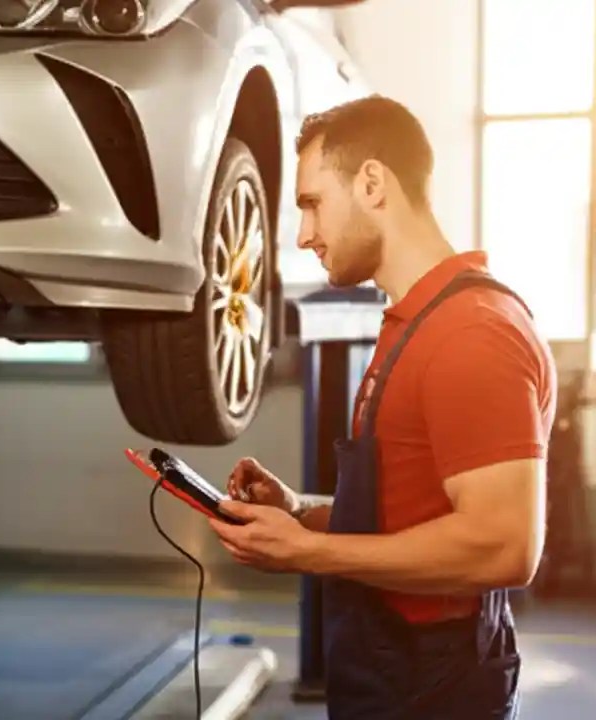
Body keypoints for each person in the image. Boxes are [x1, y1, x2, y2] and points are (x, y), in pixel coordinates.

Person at [205, 95, 557, 718]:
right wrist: (299, 512)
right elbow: (409, 512)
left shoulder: (472, 333)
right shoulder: (412, 323)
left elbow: (504, 546)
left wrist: (309, 553)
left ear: (371, 184)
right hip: (387, 662)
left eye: (312, 204)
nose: (304, 235)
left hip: (436, 680)